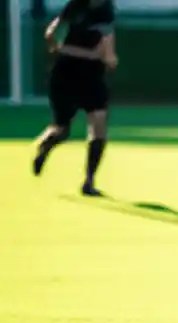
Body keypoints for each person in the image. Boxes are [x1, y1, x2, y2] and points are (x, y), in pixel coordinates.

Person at [32, 0, 118, 197]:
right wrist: (75, 52)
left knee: (99, 128)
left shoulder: (107, 11)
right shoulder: (75, 6)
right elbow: (50, 34)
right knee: (62, 130)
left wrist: (108, 56)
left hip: (92, 76)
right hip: (65, 75)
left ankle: (89, 181)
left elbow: (107, 47)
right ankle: (45, 147)